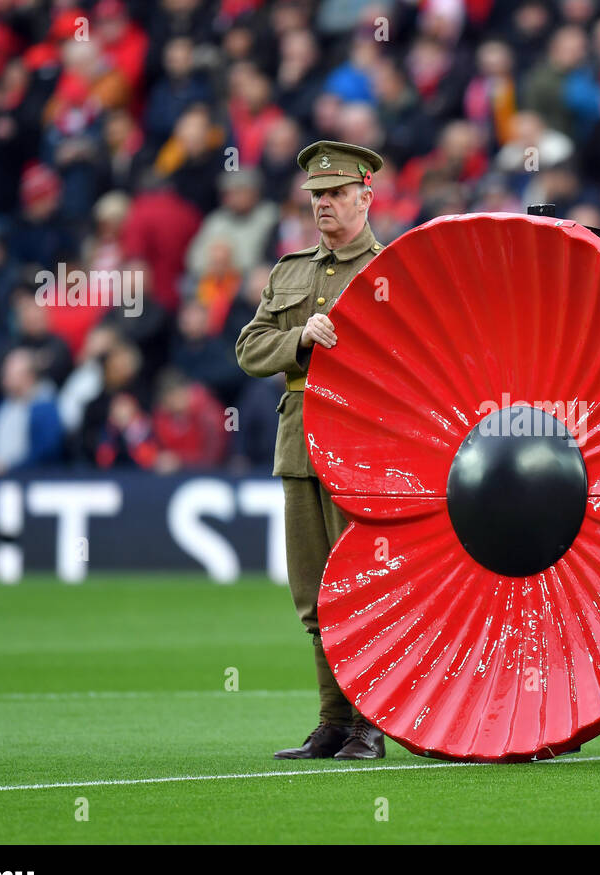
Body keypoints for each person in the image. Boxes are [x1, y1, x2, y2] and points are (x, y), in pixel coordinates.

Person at [236, 140, 387, 761]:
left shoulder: (391, 268)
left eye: (334, 194)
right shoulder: (291, 269)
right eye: (316, 196)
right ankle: (332, 721)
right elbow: (249, 349)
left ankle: (370, 726)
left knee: (365, 588)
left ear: (365, 197)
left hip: (366, 438)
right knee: (315, 590)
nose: (323, 205)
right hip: (301, 435)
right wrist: (301, 338)